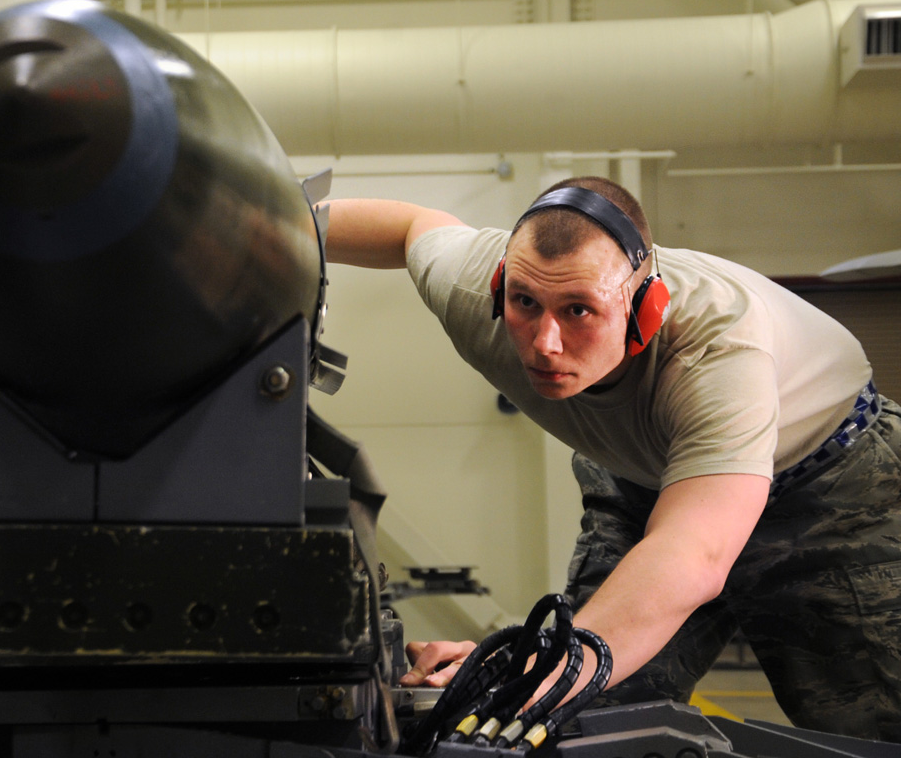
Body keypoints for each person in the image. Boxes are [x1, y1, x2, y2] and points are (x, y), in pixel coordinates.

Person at [325, 176, 901, 741]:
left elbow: (695, 551)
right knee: (580, 714)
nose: (545, 343)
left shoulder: (717, 349)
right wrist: (277, 229)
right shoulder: (474, 288)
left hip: (830, 487)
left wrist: (524, 676)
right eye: (525, 302)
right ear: (499, 284)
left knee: (875, 724)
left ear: (645, 309)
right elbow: (413, 227)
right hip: (645, 480)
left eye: (579, 310)